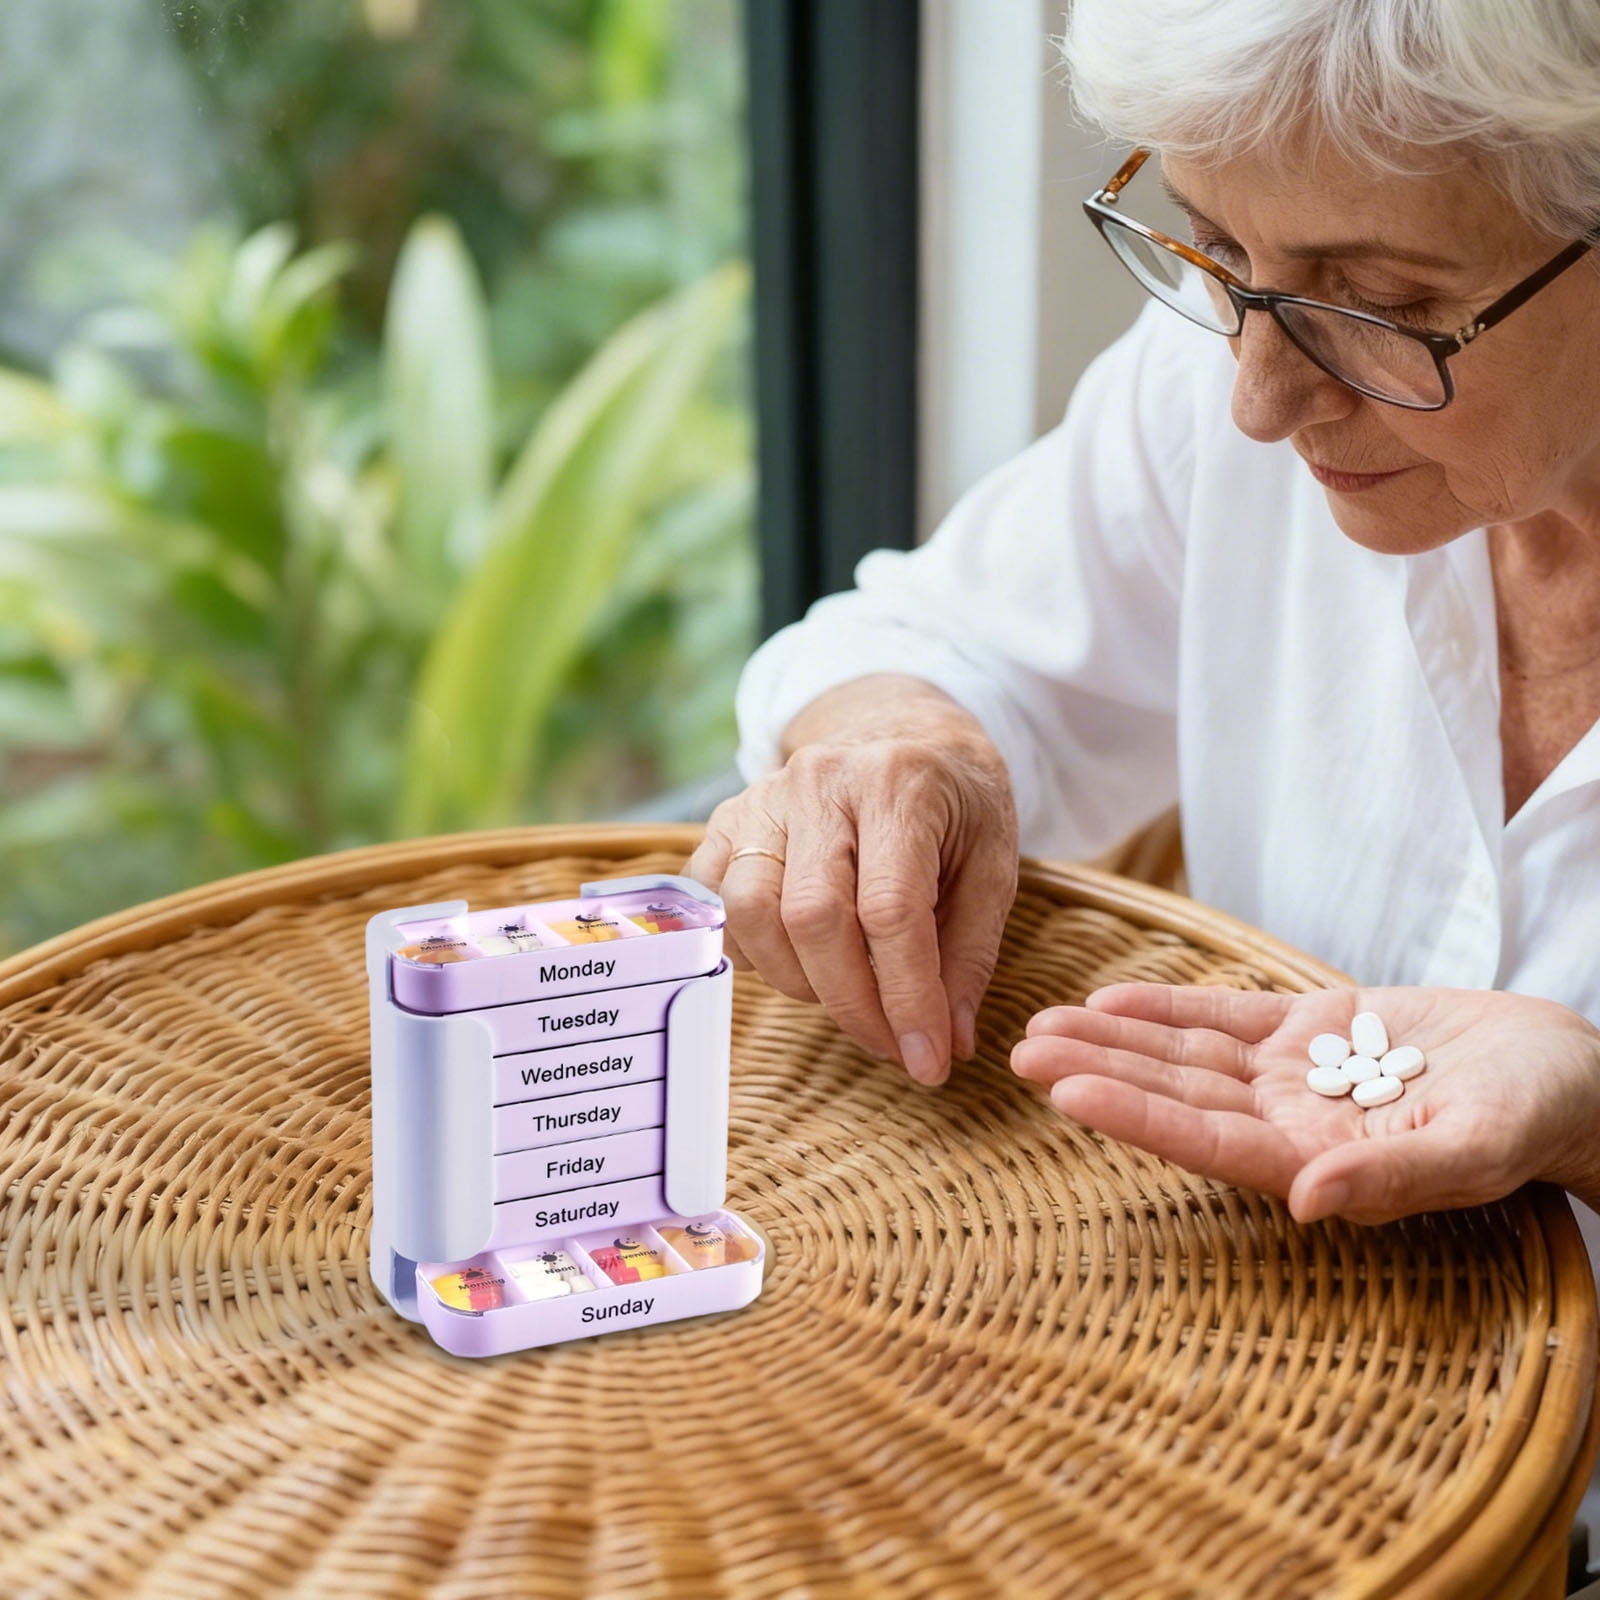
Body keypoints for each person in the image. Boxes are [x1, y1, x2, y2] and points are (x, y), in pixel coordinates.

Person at [686, 0, 1600, 1230]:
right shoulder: (1224, 354)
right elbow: (929, 644)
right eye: (1211, 244)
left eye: (1378, 300)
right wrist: (909, 745)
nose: (1259, 406)